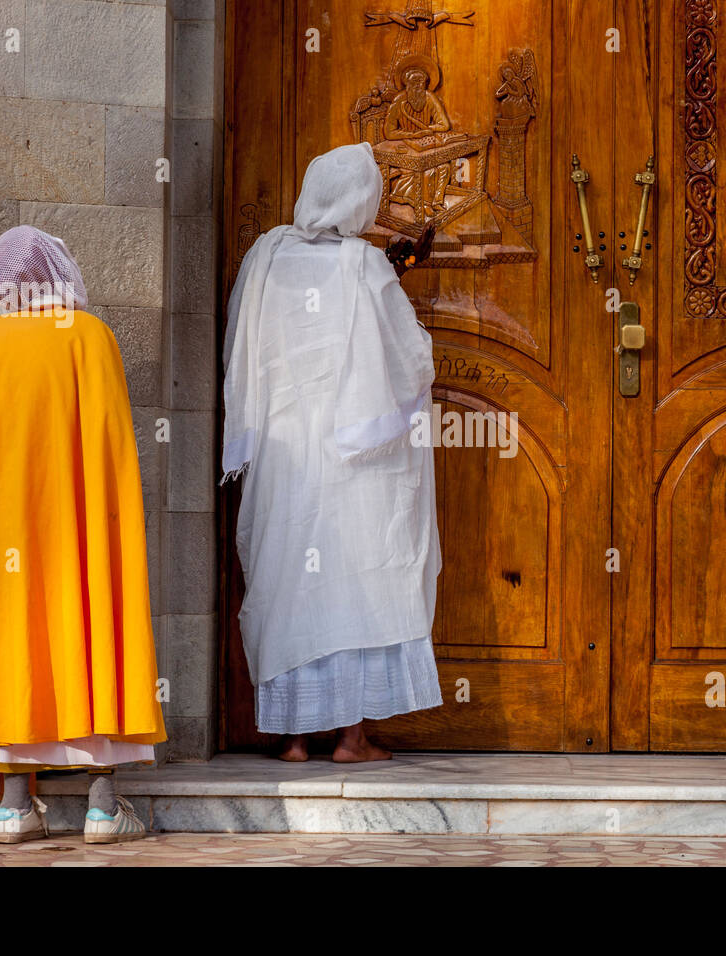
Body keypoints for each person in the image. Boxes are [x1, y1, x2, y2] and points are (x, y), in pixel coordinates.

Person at [0, 226, 166, 841]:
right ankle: (102, 808)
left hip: (1, 545)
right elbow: (110, 451)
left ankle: (14, 808)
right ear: (58, 271)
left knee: (13, 648)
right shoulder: (88, 337)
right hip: (74, 530)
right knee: (88, 626)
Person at [222, 142, 442, 762]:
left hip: (284, 454)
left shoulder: (266, 256)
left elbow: (244, 348)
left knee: (291, 578)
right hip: (357, 463)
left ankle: (294, 738)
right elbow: (407, 358)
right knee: (358, 579)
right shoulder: (364, 266)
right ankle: (352, 737)